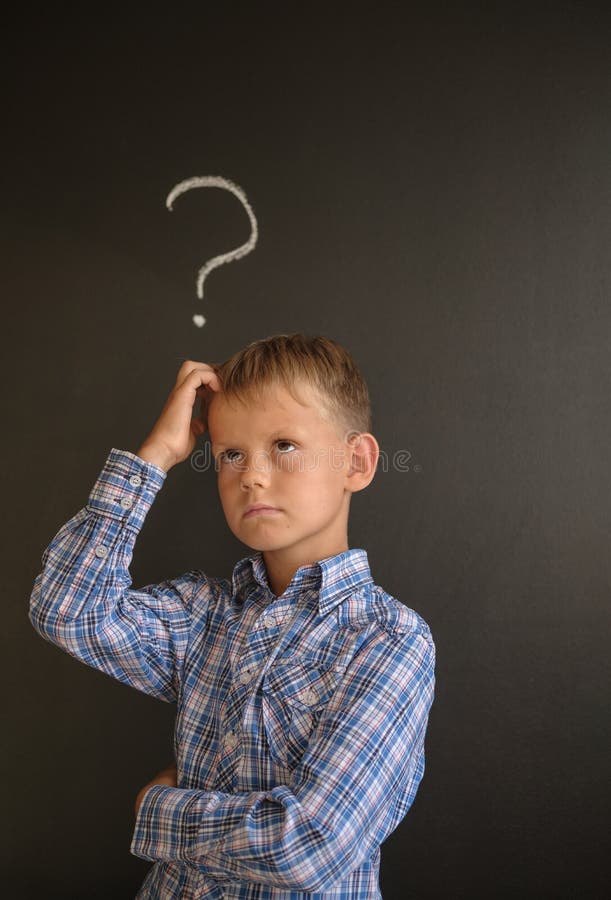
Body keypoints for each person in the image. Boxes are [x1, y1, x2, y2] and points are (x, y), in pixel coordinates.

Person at [29, 332, 436, 899]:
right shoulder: (202, 615)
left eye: (285, 445)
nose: (252, 475)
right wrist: (155, 457)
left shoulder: (387, 640)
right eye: (231, 455)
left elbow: (311, 847)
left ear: (356, 462)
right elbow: (67, 610)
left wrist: (161, 811)